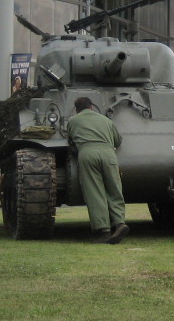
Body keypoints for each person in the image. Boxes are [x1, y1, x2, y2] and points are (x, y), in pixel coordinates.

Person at [66, 96, 129, 244]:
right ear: (91, 107)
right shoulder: (106, 120)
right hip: (108, 154)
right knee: (114, 189)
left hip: (87, 153)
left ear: (77, 109)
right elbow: (118, 140)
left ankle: (103, 231)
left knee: (95, 191)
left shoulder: (73, 121)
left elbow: (70, 139)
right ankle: (119, 223)